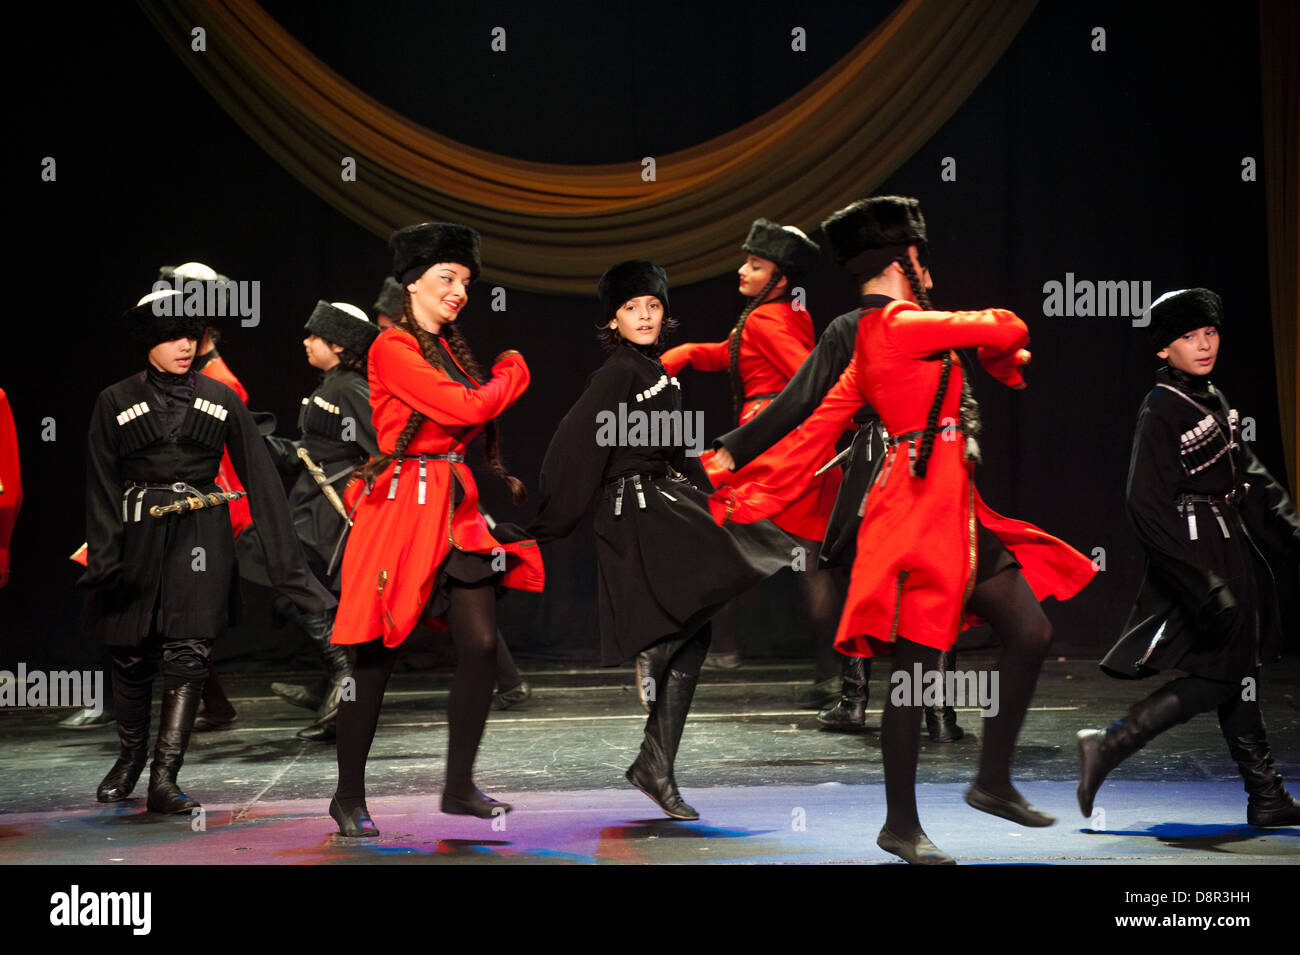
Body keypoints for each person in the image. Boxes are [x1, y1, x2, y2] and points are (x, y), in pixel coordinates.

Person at [712, 196, 1096, 862]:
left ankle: (993, 780)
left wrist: (735, 451)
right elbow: (1005, 324)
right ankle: (901, 823)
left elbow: (817, 416)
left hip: (957, 509)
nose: (928, 267)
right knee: (916, 675)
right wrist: (1007, 352)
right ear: (902, 261)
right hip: (919, 515)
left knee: (1030, 630)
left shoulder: (873, 339)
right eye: (920, 256)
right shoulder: (902, 323)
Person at [529, 260, 794, 820]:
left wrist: (722, 481)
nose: (645, 316)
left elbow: (675, 451)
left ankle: (655, 763)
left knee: (701, 623)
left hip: (665, 499)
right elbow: (573, 442)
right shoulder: (618, 373)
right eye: (632, 308)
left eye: (653, 306)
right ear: (614, 320)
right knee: (723, 578)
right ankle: (652, 649)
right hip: (637, 510)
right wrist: (553, 517)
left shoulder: (660, 374)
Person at [327, 222, 544, 837]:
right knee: (374, 657)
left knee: (479, 647)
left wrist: (494, 382)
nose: (459, 291)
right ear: (411, 283)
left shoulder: (446, 349)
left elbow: (467, 416)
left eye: (466, 282)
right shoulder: (390, 348)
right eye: (447, 278)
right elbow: (468, 408)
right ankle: (348, 796)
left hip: (453, 508)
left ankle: (457, 786)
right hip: (402, 508)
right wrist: (514, 369)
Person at [83, 289, 336, 813]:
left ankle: (163, 776)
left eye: (192, 336)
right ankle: (129, 758)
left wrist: (291, 572)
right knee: (131, 652)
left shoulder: (221, 399)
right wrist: (106, 558)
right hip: (137, 534)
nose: (185, 345)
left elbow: (261, 482)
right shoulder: (115, 399)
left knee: (189, 651)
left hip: (201, 534)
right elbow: (101, 485)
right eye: (173, 336)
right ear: (147, 342)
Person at [1078, 288, 1300, 827]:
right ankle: (1109, 745)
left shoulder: (1214, 398)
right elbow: (1143, 504)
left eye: (1210, 332)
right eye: (1187, 336)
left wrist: (1292, 528)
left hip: (1230, 546)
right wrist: (1195, 578)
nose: (1203, 345)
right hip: (1198, 552)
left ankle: (1266, 796)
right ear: (1163, 349)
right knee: (1223, 674)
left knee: (1234, 668)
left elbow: (1251, 472)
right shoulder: (1161, 408)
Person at [661, 219, 846, 699]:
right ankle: (829, 671)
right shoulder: (775, 315)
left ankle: (716, 648)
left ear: (780, 278)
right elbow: (732, 354)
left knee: (719, 539)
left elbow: (811, 379)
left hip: (773, 445)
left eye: (755, 265)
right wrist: (682, 354)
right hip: (794, 446)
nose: (742, 271)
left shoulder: (768, 318)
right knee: (808, 562)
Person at [238, 300, 380, 741]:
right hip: (310, 500)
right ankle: (333, 681)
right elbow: (311, 450)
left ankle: (339, 674)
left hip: (329, 509)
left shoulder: (349, 388)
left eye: (314, 336)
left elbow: (378, 448)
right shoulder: (330, 385)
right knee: (279, 570)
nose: (305, 342)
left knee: (278, 564)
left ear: (337, 344)